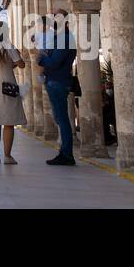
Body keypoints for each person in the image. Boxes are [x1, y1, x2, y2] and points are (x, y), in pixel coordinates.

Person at [37, 9, 78, 166]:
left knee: (62, 118)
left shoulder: (66, 39)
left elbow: (54, 61)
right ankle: (64, 151)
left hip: (58, 81)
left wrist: (41, 60)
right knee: (59, 118)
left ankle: (67, 154)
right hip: (54, 80)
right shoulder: (59, 38)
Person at [0, 21, 26, 164]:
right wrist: (15, 60)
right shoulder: (8, 46)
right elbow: (22, 64)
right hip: (8, 86)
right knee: (9, 122)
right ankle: (7, 156)